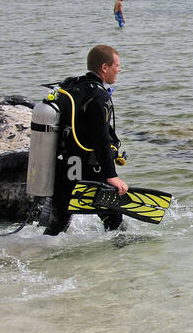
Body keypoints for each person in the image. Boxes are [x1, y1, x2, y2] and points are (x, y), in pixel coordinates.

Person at [44, 45, 130, 236]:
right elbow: (101, 139)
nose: (120, 69)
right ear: (104, 67)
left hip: (62, 168)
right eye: (117, 65)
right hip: (89, 169)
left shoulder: (70, 87)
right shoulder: (99, 96)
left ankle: (39, 258)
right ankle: (121, 260)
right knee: (114, 219)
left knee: (58, 225)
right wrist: (111, 176)